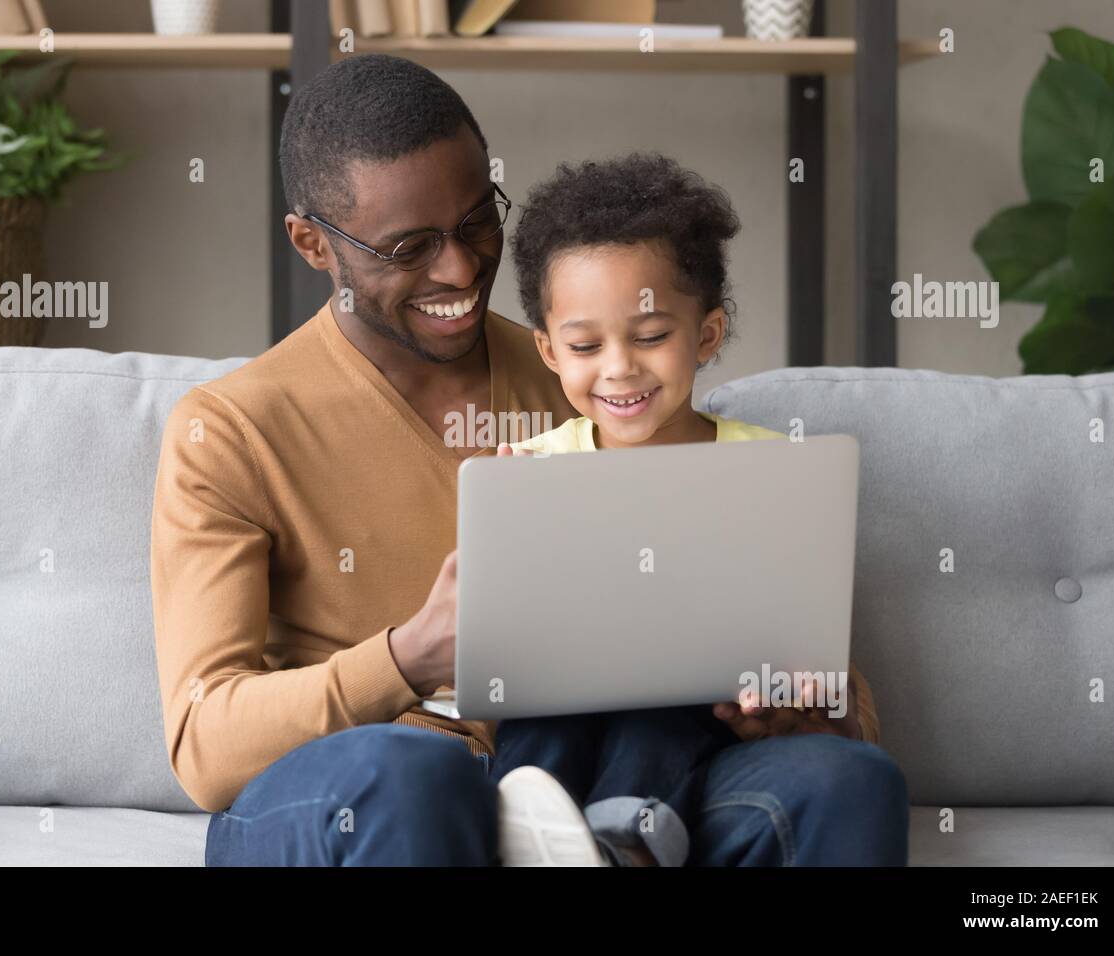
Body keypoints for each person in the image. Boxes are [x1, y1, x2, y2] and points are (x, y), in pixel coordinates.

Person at [150, 53, 908, 866]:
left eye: (479, 221)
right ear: (312, 244)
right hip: (365, 787)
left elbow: (766, 612)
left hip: (599, 789)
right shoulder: (229, 430)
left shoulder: (589, 380)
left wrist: (810, 708)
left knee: (846, 779)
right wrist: (408, 657)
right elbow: (205, 742)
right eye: (411, 246)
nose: (463, 268)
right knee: (415, 774)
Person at [488, 153, 900, 866]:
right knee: (546, 705)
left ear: (705, 336)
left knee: (670, 664)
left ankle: (628, 833)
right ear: (550, 352)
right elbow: (496, 653)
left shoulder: (771, 466)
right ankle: (535, 831)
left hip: (701, 713)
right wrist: (501, 551)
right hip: (559, 721)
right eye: (586, 345)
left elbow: (804, 630)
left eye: (650, 337)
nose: (618, 367)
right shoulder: (530, 470)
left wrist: (793, 690)